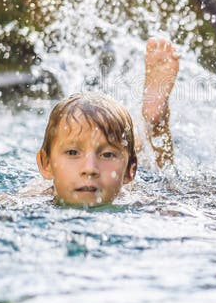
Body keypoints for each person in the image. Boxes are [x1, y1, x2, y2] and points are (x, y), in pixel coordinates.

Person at [35, 38, 179, 206]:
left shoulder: (145, 203)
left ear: (129, 172)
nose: (89, 169)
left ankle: (155, 123)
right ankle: (150, 125)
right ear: (46, 164)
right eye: (73, 153)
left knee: (159, 174)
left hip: (138, 182)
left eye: (107, 155)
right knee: (123, 145)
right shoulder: (31, 198)